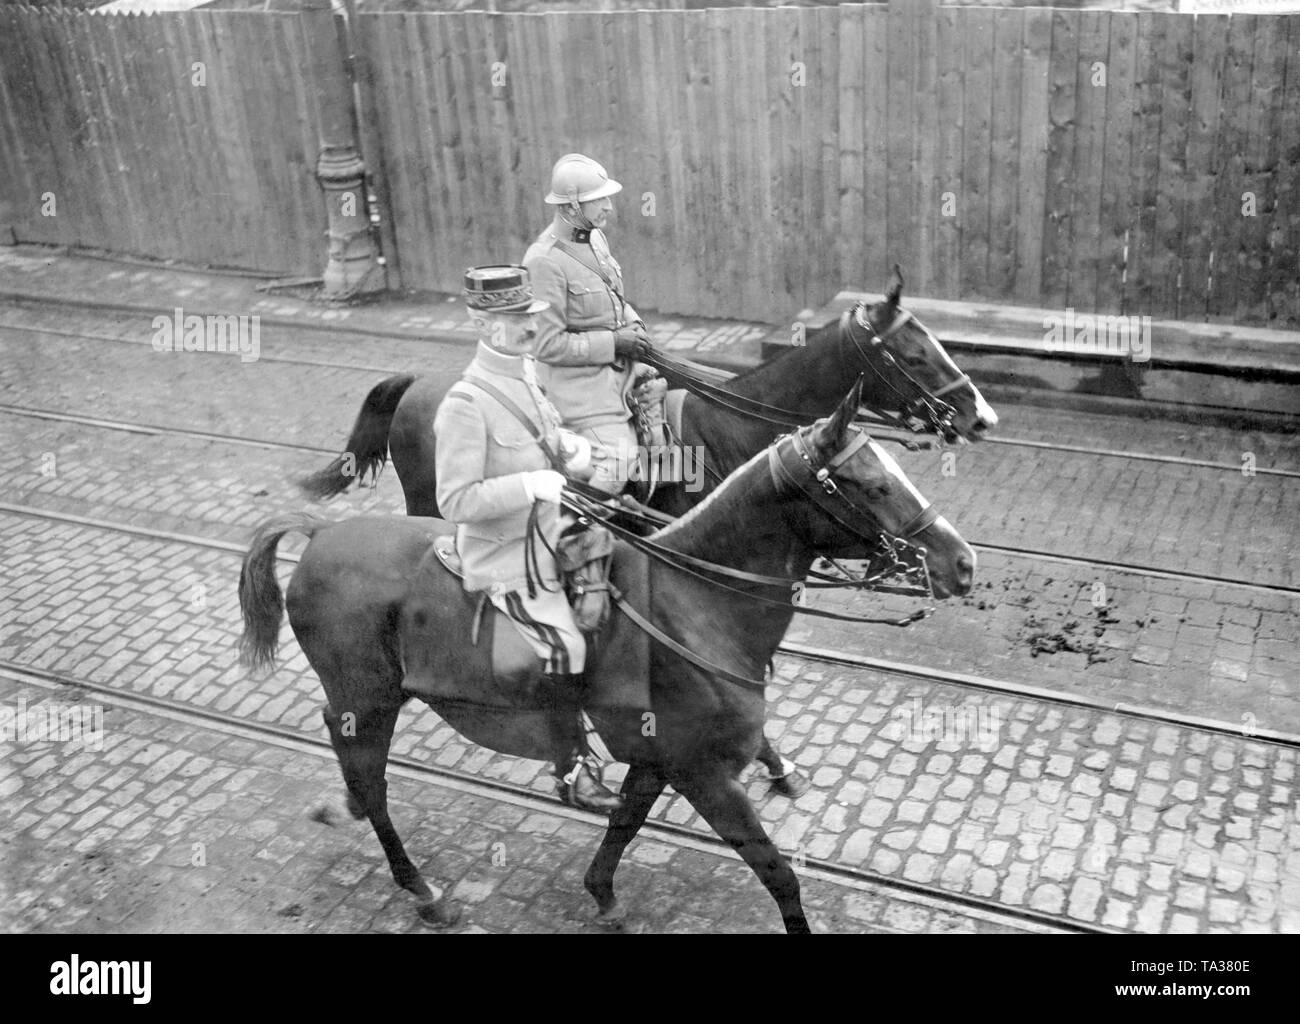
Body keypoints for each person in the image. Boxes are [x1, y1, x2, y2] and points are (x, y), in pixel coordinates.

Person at [425, 264, 624, 814]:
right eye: (520, 321)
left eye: (531, 317)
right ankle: (572, 769)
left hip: (552, 527)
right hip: (506, 555)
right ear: (488, 326)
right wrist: (528, 484)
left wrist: (573, 451)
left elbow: (542, 434)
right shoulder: (465, 403)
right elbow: (456, 501)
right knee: (568, 643)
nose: (533, 328)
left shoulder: (524, 372)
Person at [523, 153, 658, 497]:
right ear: (570, 208)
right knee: (619, 457)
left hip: (618, 374)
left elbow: (614, 300)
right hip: (576, 391)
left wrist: (634, 325)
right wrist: (614, 343)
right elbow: (546, 345)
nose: (610, 207)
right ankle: (577, 532)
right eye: (599, 200)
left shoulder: (594, 238)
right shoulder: (544, 261)